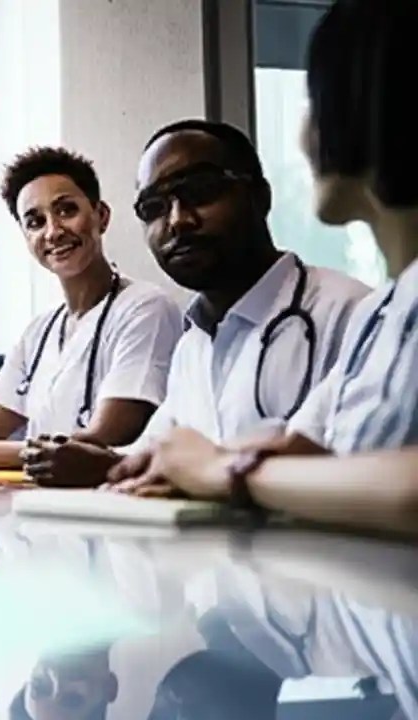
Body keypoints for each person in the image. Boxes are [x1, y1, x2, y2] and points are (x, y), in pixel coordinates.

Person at [106, 0, 418, 535]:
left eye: (318, 101)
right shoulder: (386, 312)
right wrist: (173, 463)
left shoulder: (353, 307)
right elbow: (306, 442)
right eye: (155, 207)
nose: (302, 134)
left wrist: (225, 470)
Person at [27, 120, 371, 487]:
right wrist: (104, 465)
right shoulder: (193, 344)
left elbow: (370, 477)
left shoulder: (350, 313)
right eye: (154, 206)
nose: (178, 220)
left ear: (260, 197)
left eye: (201, 191)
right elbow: (153, 458)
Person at [0, 147, 181, 478]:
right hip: (42, 508)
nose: (53, 232)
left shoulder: (145, 308)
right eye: (35, 222)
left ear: (101, 216)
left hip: (112, 504)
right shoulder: (40, 332)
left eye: (66, 210)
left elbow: (96, 444)